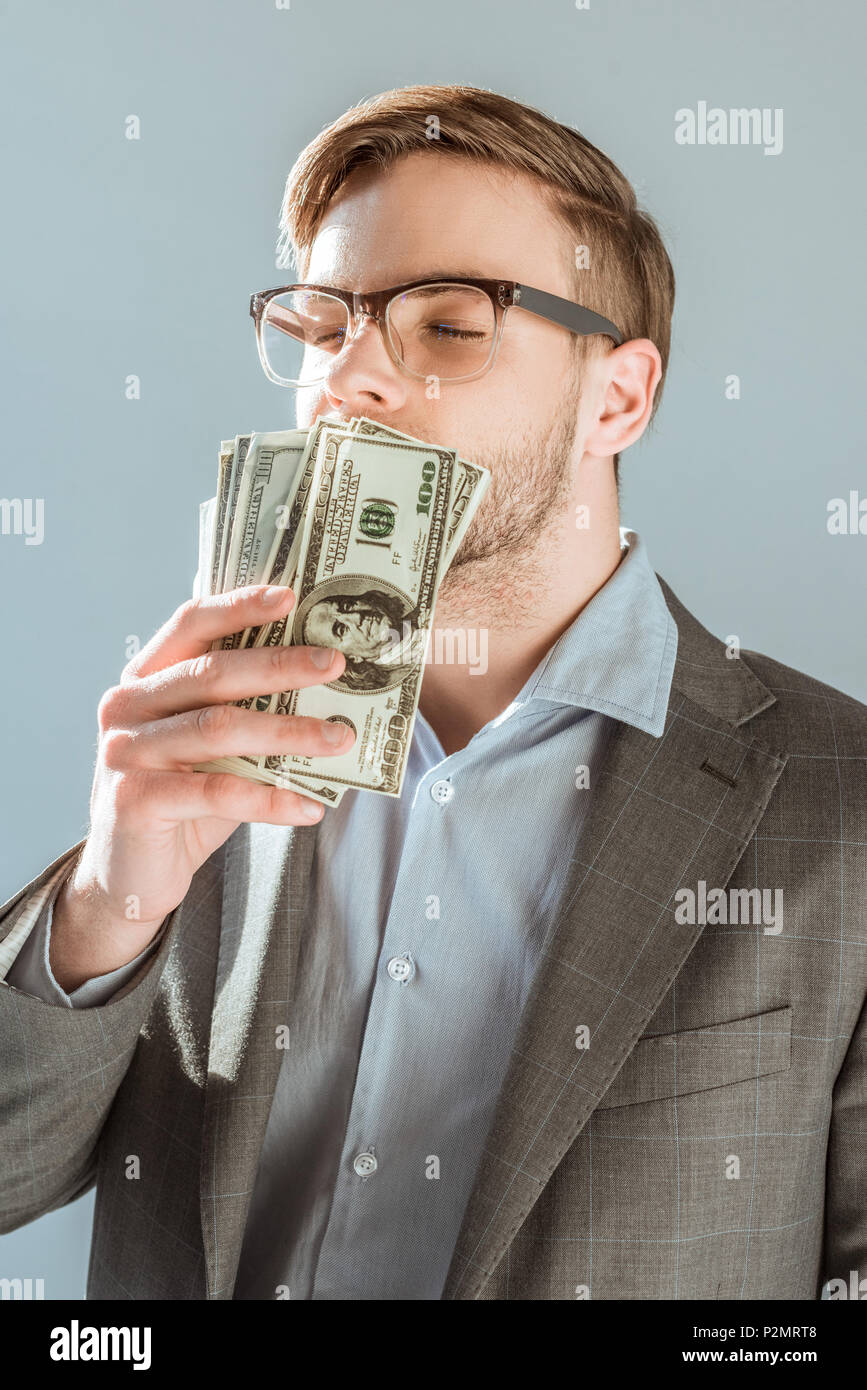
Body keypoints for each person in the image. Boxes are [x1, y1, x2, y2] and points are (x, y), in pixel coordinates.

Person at [0, 84, 863, 1302]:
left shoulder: (842, 803)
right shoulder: (198, 740)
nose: (349, 382)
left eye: (448, 326)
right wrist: (102, 912)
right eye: (322, 326)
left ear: (616, 398)